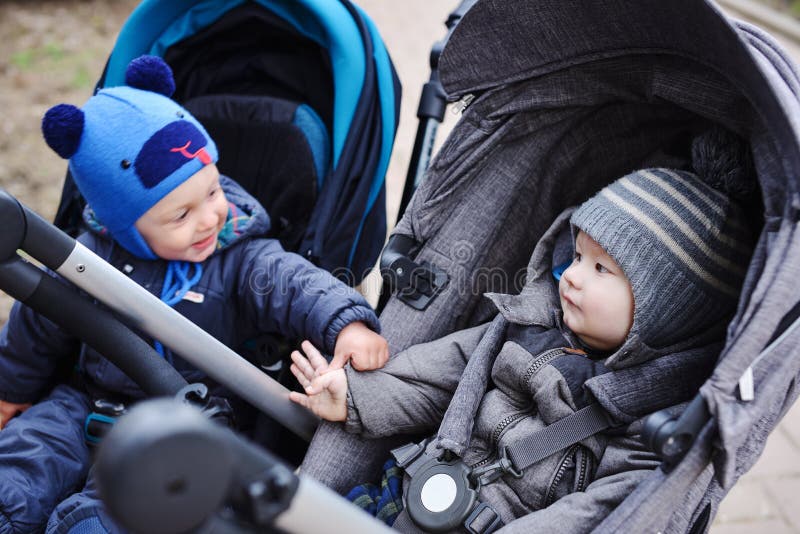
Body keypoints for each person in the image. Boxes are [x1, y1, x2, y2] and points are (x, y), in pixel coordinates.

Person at [289, 128, 756, 532]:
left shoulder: (656, 420)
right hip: (413, 488)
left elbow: (602, 511)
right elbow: (439, 375)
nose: (571, 276)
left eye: (600, 269)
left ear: (666, 309)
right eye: (576, 256)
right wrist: (357, 397)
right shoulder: (529, 325)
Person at [0, 55, 388, 533]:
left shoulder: (242, 254)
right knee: (28, 454)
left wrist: (348, 323)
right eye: (181, 215)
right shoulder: (88, 259)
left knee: (130, 497)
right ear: (125, 225)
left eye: (213, 192)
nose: (209, 218)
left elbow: (298, 285)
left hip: (189, 413)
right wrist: (10, 390)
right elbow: (36, 325)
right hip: (85, 399)